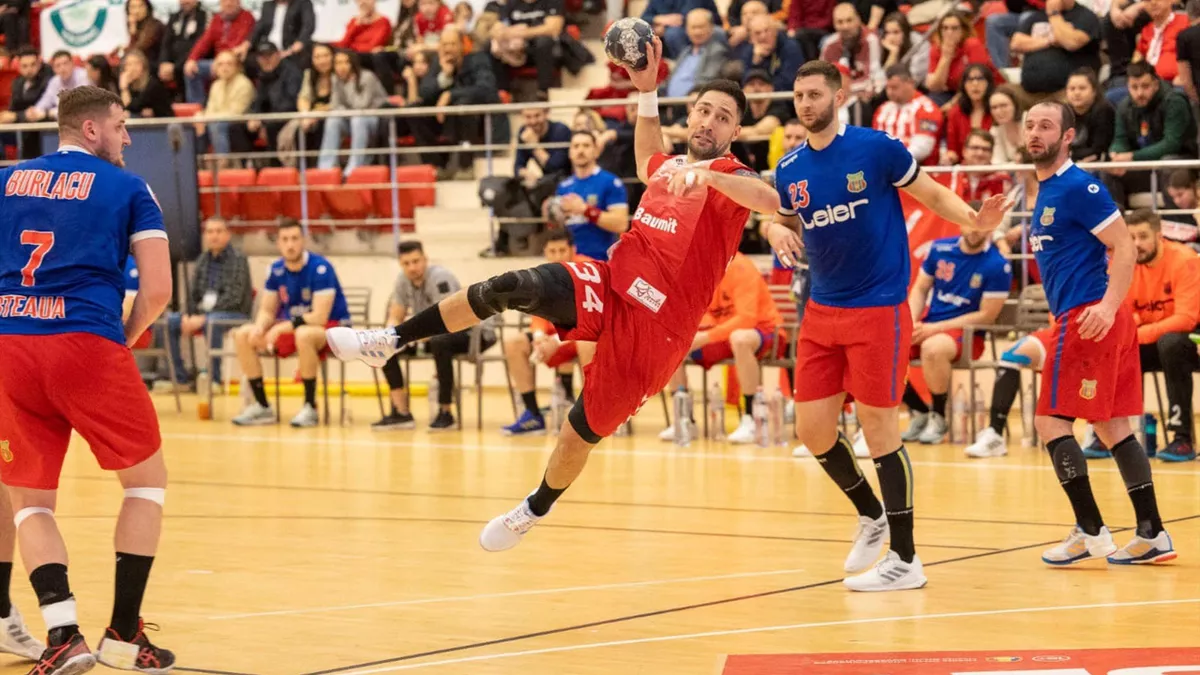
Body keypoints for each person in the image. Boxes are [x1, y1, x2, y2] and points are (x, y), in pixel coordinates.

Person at [326, 42, 779, 552]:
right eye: (703, 110)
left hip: (656, 333)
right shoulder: (670, 166)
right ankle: (390, 339)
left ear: (734, 132)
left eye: (722, 118)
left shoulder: (733, 178)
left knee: (579, 431)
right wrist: (648, 92)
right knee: (508, 287)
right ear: (690, 112)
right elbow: (647, 153)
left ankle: (533, 507)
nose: (709, 122)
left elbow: (768, 199)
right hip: (610, 285)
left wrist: (712, 173)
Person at [763, 60, 1013, 591]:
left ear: (839, 93)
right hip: (821, 311)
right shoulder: (789, 168)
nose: (804, 104)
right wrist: (770, 229)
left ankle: (906, 558)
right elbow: (781, 216)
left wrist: (974, 220)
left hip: (879, 308)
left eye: (813, 94)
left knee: (879, 430)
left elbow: (932, 195)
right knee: (812, 431)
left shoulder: (876, 148)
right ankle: (872, 515)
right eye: (798, 96)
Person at [0, 86, 175, 673]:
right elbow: (157, 291)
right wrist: (122, 336)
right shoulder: (129, 187)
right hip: (86, 340)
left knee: (30, 501)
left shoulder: (7, 179)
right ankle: (125, 634)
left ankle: (61, 633)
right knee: (145, 483)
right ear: (92, 130)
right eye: (122, 126)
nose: (128, 138)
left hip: (12, 345)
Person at [1021, 100, 1175, 565]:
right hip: (1097, 319)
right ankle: (1152, 534)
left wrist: (1107, 307)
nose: (1034, 133)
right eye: (1029, 125)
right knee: (1112, 426)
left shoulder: (1077, 186)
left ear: (1068, 136)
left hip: (1089, 318)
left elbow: (1125, 247)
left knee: (1049, 422)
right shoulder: (1046, 189)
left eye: (1046, 126)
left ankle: (1090, 529)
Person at [231, 218, 351, 428]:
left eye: (294, 238)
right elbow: (268, 310)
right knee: (243, 334)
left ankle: (310, 406)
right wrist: (260, 327)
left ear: (303, 240)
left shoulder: (321, 268)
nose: (290, 244)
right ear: (278, 243)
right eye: (285, 239)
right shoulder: (276, 270)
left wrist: (280, 327)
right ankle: (262, 406)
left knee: (304, 334)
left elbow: (319, 317)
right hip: (295, 327)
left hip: (332, 329)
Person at [900, 227, 1012, 444]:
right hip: (929, 325)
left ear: (990, 229)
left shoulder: (998, 264)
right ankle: (920, 411)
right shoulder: (939, 249)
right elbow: (921, 288)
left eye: (980, 227)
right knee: (885, 349)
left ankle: (939, 418)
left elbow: (987, 315)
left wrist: (937, 328)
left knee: (933, 348)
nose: (973, 231)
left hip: (968, 334)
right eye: (968, 223)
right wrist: (911, 322)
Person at [658, 251, 782, 443]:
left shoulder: (740, 267)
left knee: (740, 339)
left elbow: (746, 319)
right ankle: (684, 420)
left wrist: (706, 336)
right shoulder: (696, 271)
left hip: (763, 329)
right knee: (673, 342)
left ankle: (751, 419)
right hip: (722, 332)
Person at [373, 241, 494, 431]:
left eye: (416, 261)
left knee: (440, 342)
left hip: (474, 332)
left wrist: (407, 337)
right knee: (385, 347)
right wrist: (390, 335)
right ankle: (401, 412)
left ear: (425, 259)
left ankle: (445, 412)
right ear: (400, 264)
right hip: (435, 333)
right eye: (406, 263)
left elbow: (446, 321)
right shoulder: (402, 281)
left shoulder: (440, 278)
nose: (412, 267)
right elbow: (396, 313)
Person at [1122, 209, 1200, 462]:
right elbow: (1125, 312)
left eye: (1143, 236)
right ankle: (1118, 436)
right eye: (1131, 237)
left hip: (1192, 342)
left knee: (1171, 344)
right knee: (1119, 348)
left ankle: (1182, 438)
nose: (1136, 244)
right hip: (1158, 340)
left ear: (1159, 235)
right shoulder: (1128, 265)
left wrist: (1140, 331)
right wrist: (1133, 328)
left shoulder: (1185, 260)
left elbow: (1186, 319)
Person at [501, 230, 593, 435]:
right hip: (555, 337)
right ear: (546, 252)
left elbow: (590, 319)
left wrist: (557, 340)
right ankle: (532, 415)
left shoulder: (587, 270)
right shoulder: (541, 274)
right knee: (513, 343)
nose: (558, 256)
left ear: (573, 250)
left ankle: (592, 413)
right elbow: (538, 315)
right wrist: (540, 339)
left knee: (587, 343)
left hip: (586, 335)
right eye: (552, 251)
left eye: (562, 250)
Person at [163, 216, 253, 387]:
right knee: (170, 321)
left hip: (234, 314)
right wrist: (189, 316)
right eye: (210, 231)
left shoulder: (238, 259)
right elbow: (193, 295)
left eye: (219, 231)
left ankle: (214, 379)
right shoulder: (202, 260)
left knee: (212, 322)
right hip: (205, 314)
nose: (214, 236)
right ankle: (179, 378)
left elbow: (234, 298)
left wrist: (203, 317)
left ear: (228, 235)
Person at [548, 130, 629, 261]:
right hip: (571, 264)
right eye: (576, 146)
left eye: (586, 146)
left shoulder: (610, 182)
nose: (580, 150)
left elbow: (621, 224)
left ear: (596, 151)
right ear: (570, 153)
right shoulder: (563, 187)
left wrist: (585, 210)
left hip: (601, 261)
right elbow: (559, 229)